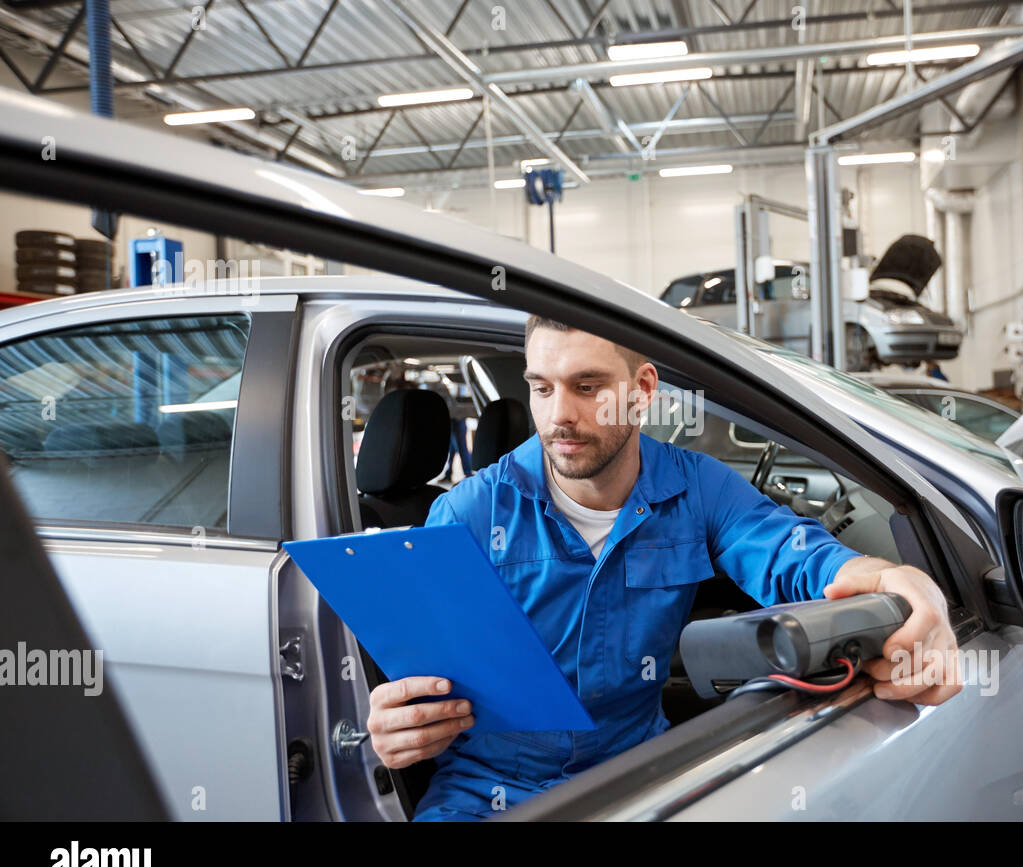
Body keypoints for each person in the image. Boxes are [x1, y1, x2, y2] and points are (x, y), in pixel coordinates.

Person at [366, 317, 960, 821]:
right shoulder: (467, 512)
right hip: (486, 796)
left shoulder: (698, 490)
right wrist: (399, 726)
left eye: (588, 386)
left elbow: (802, 557)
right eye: (541, 388)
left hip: (641, 780)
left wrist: (907, 586)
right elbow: (423, 677)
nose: (558, 417)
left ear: (642, 388)